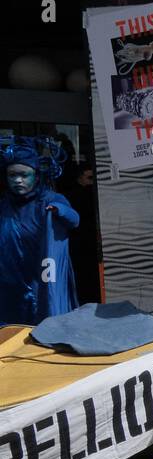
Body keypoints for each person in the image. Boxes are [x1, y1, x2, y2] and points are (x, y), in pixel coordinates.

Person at [0, 135, 79, 325]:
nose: (18, 180)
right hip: (10, 282)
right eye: (12, 175)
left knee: (43, 321)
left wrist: (59, 211)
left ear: (36, 176)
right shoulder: (3, 205)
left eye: (24, 175)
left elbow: (74, 219)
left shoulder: (49, 199)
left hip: (41, 278)